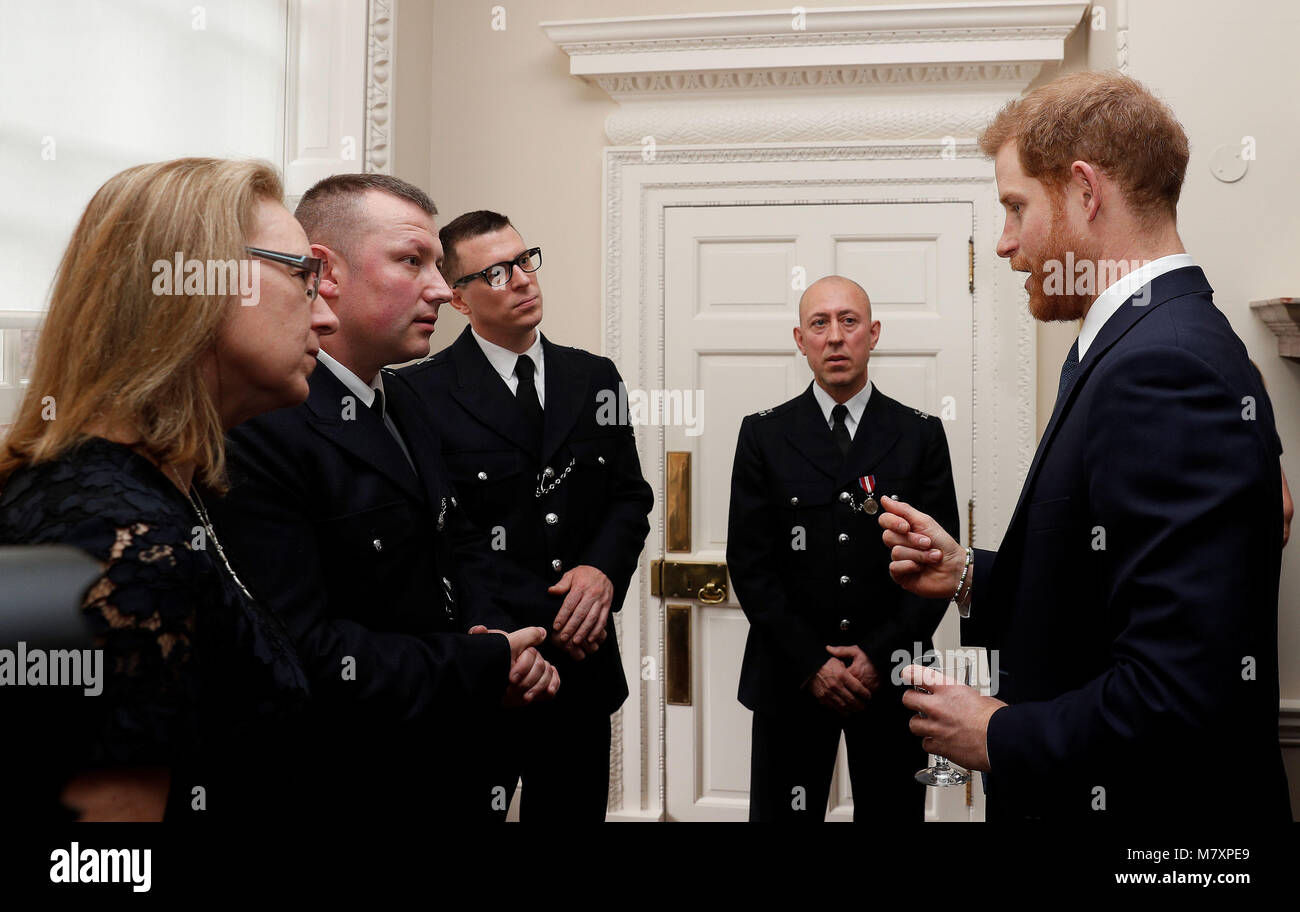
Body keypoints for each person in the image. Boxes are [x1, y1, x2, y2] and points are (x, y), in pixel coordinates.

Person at [878, 71, 1291, 821]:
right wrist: (969, 573)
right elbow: (1104, 587)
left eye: (1014, 208)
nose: (1004, 244)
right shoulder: (1150, 343)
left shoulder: (1161, 369)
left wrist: (997, 732)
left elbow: (1181, 696)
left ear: (1083, 191)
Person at [206, 175, 560, 822]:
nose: (439, 288)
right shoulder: (261, 424)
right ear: (326, 272)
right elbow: (301, 650)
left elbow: (454, 543)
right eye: (411, 261)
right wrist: (480, 662)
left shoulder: (402, 400)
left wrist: (505, 640)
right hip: (348, 785)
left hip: (446, 761)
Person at [0, 157, 339, 820]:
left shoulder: (155, 497)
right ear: (197, 282)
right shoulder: (112, 534)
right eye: (305, 276)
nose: (327, 315)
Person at [399, 210, 654, 820]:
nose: (521, 280)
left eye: (524, 260)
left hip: (583, 667)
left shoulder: (595, 376)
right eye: (495, 273)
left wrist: (601, 571)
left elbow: (630, 497)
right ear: (458, 299)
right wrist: (492, 638)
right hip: (491, 666)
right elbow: (442, 535)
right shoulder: (419, 392)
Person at [726, 276, 960, 822]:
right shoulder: (762, 434)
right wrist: (812, 663)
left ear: (873, 334)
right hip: (790, 675)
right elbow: (751, 563)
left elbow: (937, 564)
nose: (835, 337)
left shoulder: (919, 434)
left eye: (849, 321)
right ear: (800, 339)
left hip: (893, 676)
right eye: (820, 323)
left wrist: (878, 656)